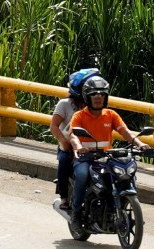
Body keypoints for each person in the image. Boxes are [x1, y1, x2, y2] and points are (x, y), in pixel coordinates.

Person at [66, 73, 144, 223]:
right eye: (93, 94)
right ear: (87, 97)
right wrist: (79, 147)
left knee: (126, 174)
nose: (98, 97)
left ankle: (121, 204)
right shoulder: (79, 116)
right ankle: (76, 213)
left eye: (101, 94)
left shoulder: (111, 115)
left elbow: (125, 132)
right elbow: (73, 135)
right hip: (85, 158)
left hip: (107, 158)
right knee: (82, 175)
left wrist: (140, 144)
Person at [49, 68, 102, 215]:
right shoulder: (64, 104)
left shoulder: (93, 106)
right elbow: (53, 126)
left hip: (89, 147)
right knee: (64, 161)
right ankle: (64, 198)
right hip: (68, 146)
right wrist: (64, 143)